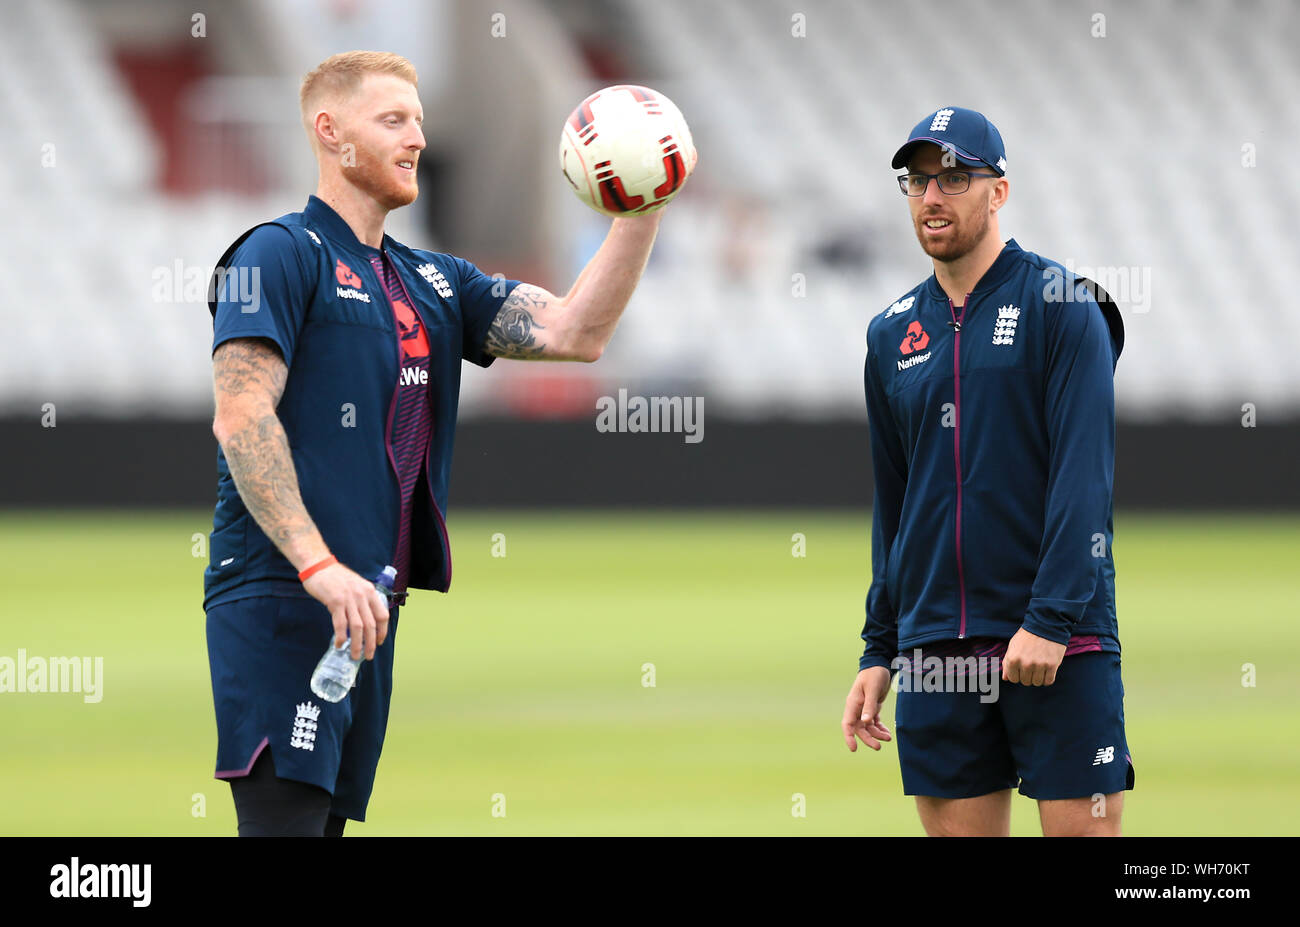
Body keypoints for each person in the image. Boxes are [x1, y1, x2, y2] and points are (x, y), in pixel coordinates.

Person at [203, 51, 689, 836]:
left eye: (420, 122)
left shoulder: (432, 279)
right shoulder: (276, 252)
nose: (417, 138)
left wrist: (644, 206)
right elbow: (241, 417)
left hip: (366, 606)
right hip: (286, 595)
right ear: (331, 132)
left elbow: (575, 331)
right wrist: (318, 566)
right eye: (393, 120)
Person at [839, 107, 1132, 836]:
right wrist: (881, 645)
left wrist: (1051, 620)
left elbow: (1082, 478)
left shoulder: (1063, 305)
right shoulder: (890, 333)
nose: (932, 196)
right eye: (917, 181)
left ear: (998, 191)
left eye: (955, 177)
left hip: (1059, 642)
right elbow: (897, 500)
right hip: (937, 648)